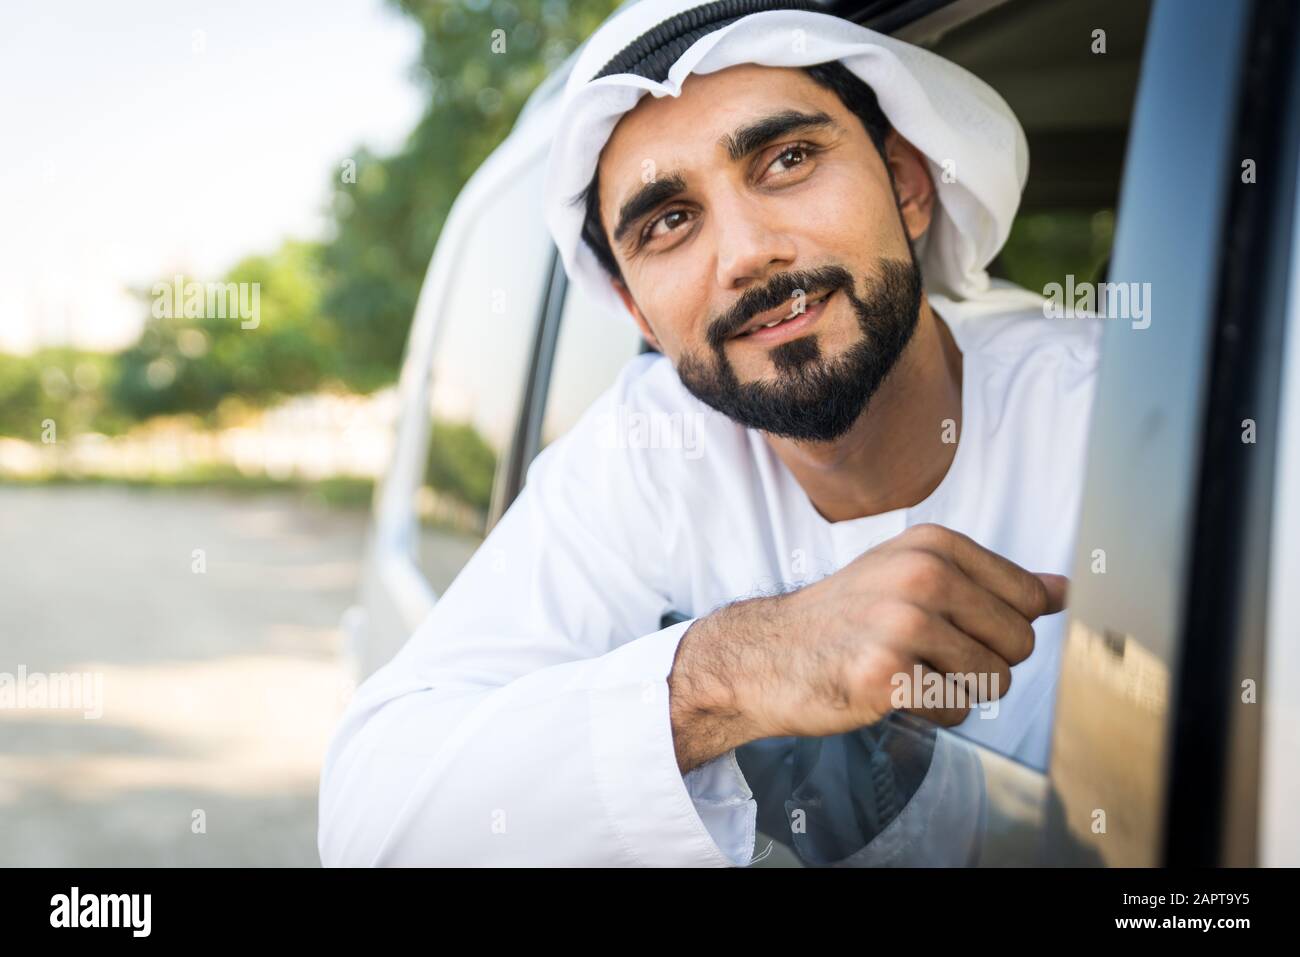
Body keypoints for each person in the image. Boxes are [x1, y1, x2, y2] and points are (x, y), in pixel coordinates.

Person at [318, 0, 1102, 867]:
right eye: (668, 221)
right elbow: (371, 822)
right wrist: (735, 670)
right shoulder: (645, 453)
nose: (745, 254)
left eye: (788, 159)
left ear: (908, 183)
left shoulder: (1114, 410)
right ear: (635, 311)